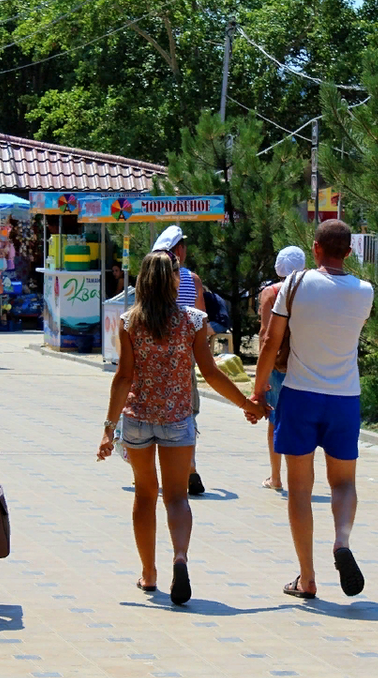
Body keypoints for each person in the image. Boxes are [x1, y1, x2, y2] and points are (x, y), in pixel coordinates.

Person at [97, 251, 265, 606]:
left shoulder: (130, 322)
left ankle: (149, 573)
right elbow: (212, 372)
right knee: (176, 497)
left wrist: (108, 429)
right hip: (177, 420)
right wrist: (246, 406)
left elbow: (123, 377)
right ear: (173, 280)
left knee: (145, 495)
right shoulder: (192, 320)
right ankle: (180, 558)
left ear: (143, 279)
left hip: (138, 420)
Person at [251, 220, 374, 600]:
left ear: (316, 248)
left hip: (300, 394)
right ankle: (341, 542)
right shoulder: (364, 291)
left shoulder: (296, 284)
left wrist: (258, 392)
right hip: (345, 398)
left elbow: (272, 341)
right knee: (344, 482)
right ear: (349, 252)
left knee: (300, 491)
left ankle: (307, 579)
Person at [151, 225, 209, 496]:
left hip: (152, 359)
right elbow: (201, 320)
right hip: (184, 358)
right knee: (187, 410)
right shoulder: (193, 280)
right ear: (179, 251)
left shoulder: (148, 278)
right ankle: (191, 466)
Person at [258, 246, 307, 490]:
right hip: (305, 364)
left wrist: (261, 375)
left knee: (275, 421)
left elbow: (266, 336)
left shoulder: (271, 292)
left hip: (279, 365)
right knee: (300, 421)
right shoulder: (311, 291)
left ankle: (276, 477)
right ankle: (300, 477)